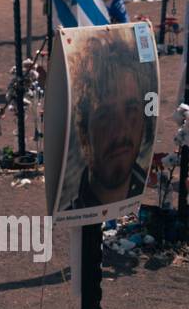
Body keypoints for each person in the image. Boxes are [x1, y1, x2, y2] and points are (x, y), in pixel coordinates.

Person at [65, 31, 153, 210]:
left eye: (131, 110)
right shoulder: (73, 210)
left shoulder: (149, 210)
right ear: (84, 134)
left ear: (144, 123)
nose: (120, 131)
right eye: (105, 115)